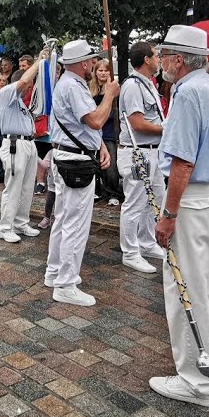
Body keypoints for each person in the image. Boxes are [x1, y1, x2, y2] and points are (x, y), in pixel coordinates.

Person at [150, 25, 209, 407]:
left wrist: (168, 214)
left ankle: (196, 382)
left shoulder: (187, 93)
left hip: (196, 199)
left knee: (185, 289)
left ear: (177, 59)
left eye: (164, 56)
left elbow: (183, 161)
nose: (161, 64)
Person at [43, 40, 118, 307]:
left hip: (71, 155)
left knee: (63, 218)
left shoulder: (69, 84)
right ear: (84, 63)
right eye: (91, 61)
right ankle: (66, 282)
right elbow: (95, 120)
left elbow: (84, 127)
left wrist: (98, 146)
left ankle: (55, 272)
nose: (94, 65)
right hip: (75, 162)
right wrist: (109, 95)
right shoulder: (73, 87)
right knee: (75, 223)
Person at [117, 42, 165, 274]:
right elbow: (137, 124)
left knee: (154, 199)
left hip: (152, 151)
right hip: (138, 152)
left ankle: (146, 243)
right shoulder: (133, 86)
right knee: (135, 203)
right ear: (146, 59)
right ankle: (130, 252)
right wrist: (167, 129)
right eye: (156, 56)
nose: (159, 60)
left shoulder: (149, 85)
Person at [0, 64, 44, 243]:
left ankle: (20, 223)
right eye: (29, 85)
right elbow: (24, 80)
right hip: (15, 143)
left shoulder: (21, 103)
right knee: (13, 187)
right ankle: (5, 227)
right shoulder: (6, 93)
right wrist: (39, 61)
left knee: (26, 187)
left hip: (28, 143)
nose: (29, 88)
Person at [90, 59, 123, 207]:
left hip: (109, 132)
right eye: (100, 70)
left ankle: (113, 192)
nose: (103, 73)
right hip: (93, 132)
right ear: (95, 72)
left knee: (110, 166)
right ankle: (96, 190)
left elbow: (114, 112)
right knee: (94, 164)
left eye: (106, 70)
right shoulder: (90, 89)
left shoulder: (114, 90)